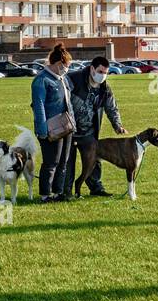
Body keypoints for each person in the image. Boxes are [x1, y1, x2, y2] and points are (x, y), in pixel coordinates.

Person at [67, 56, 126, 197]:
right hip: (68, 130)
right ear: (92, 69)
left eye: (105, 73)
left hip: (89, 131)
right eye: (100, 71)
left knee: (94, 159)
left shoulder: (104, 89)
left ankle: (96, 188)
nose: (103, 76)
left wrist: (117, 125)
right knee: (67, 162)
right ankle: (66, 190)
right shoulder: (73, 79)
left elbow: (112, 108)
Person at [31, 42, 76, 203]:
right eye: (66, 65)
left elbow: (68, 102)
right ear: (58, 64)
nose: (67, 69)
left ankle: (58, 192)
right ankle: (45, 194)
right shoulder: (41, 81)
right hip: (51, 128)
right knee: (51, 162)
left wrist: (73, 124)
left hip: (67, 126)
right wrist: (42, 130)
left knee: (63, 161)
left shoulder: (63, 79)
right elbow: (39, 106)